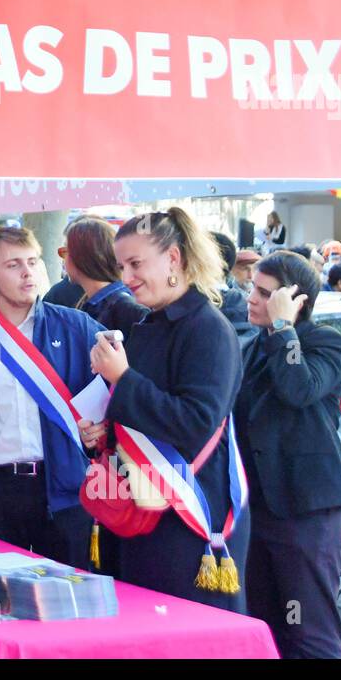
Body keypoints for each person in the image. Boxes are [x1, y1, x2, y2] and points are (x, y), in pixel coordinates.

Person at [84, 208, 249, 612]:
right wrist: (105, 432)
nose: (126, 278)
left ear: (173, 258)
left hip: (186, 515)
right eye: (122, 266)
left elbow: (193, 423)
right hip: (141, 509)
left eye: (136, 264)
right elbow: (145, 417)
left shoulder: (209, 328)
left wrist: (123, 378)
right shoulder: (147, 325)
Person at [0, 226, 102, 570]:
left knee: (69, 604)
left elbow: (113, 391)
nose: (28, 273)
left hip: (65, 490)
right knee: (4, 601)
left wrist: (103, 426)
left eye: (33, 261)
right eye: (13, 265)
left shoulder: (77, 326)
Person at [236, 251, 341, 658]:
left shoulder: (324, 342)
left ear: (294, 300)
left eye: (265, 292)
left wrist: (284, 327)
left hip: (306, 509)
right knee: (266, 625)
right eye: (252, 286)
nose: (252, 297)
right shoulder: (252, 347)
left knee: (307, 630)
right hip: (258, 510)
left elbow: (298, 388)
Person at [65, 218, 147, 341]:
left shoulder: (130, 310)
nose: (63, 260)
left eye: (64, 252)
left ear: (80, 258)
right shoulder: (89, 304)